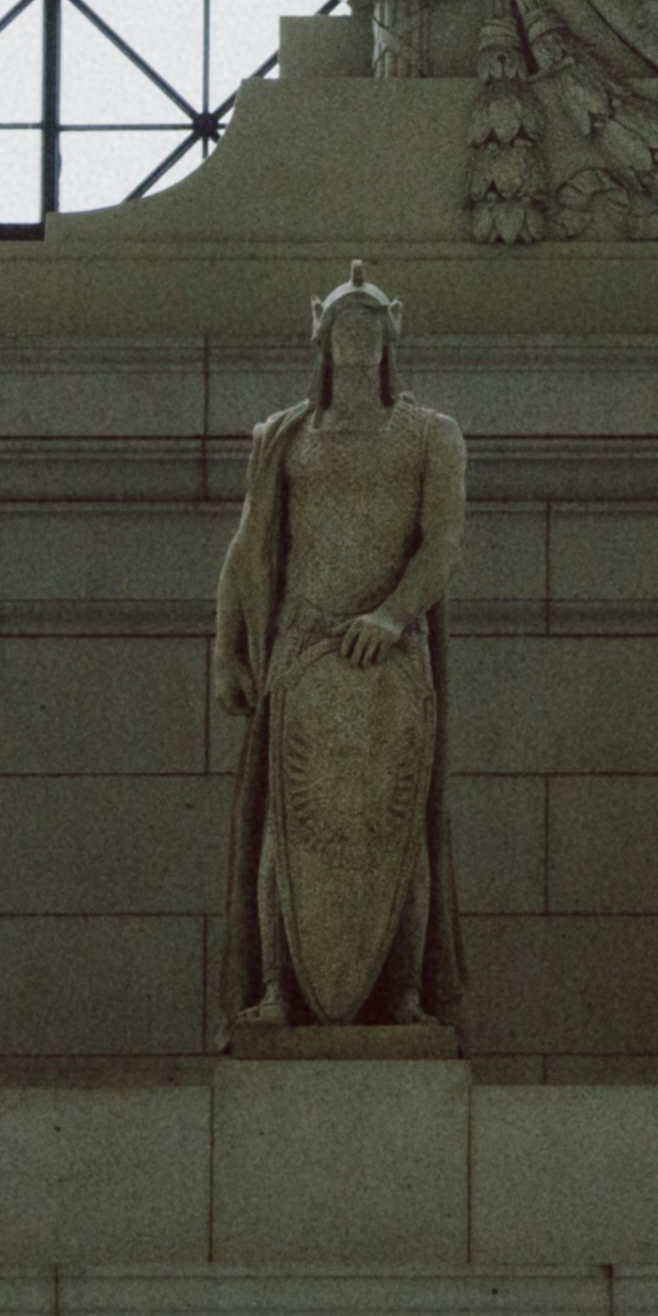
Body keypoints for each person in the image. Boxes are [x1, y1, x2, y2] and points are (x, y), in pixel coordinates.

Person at [216, 262, 469, 1036]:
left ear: (391, 329)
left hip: (389, 662)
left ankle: (403, 995)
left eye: (370, 324)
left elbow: (443, 543)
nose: (356, 338)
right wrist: (227, 648)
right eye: (343, 324)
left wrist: (392, 617)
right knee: (288, 825)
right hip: (303, 652)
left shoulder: (431, 434)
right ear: (319, 332)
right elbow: (249, 548)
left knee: (396, 825)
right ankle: (277, 991)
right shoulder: (285, 437)